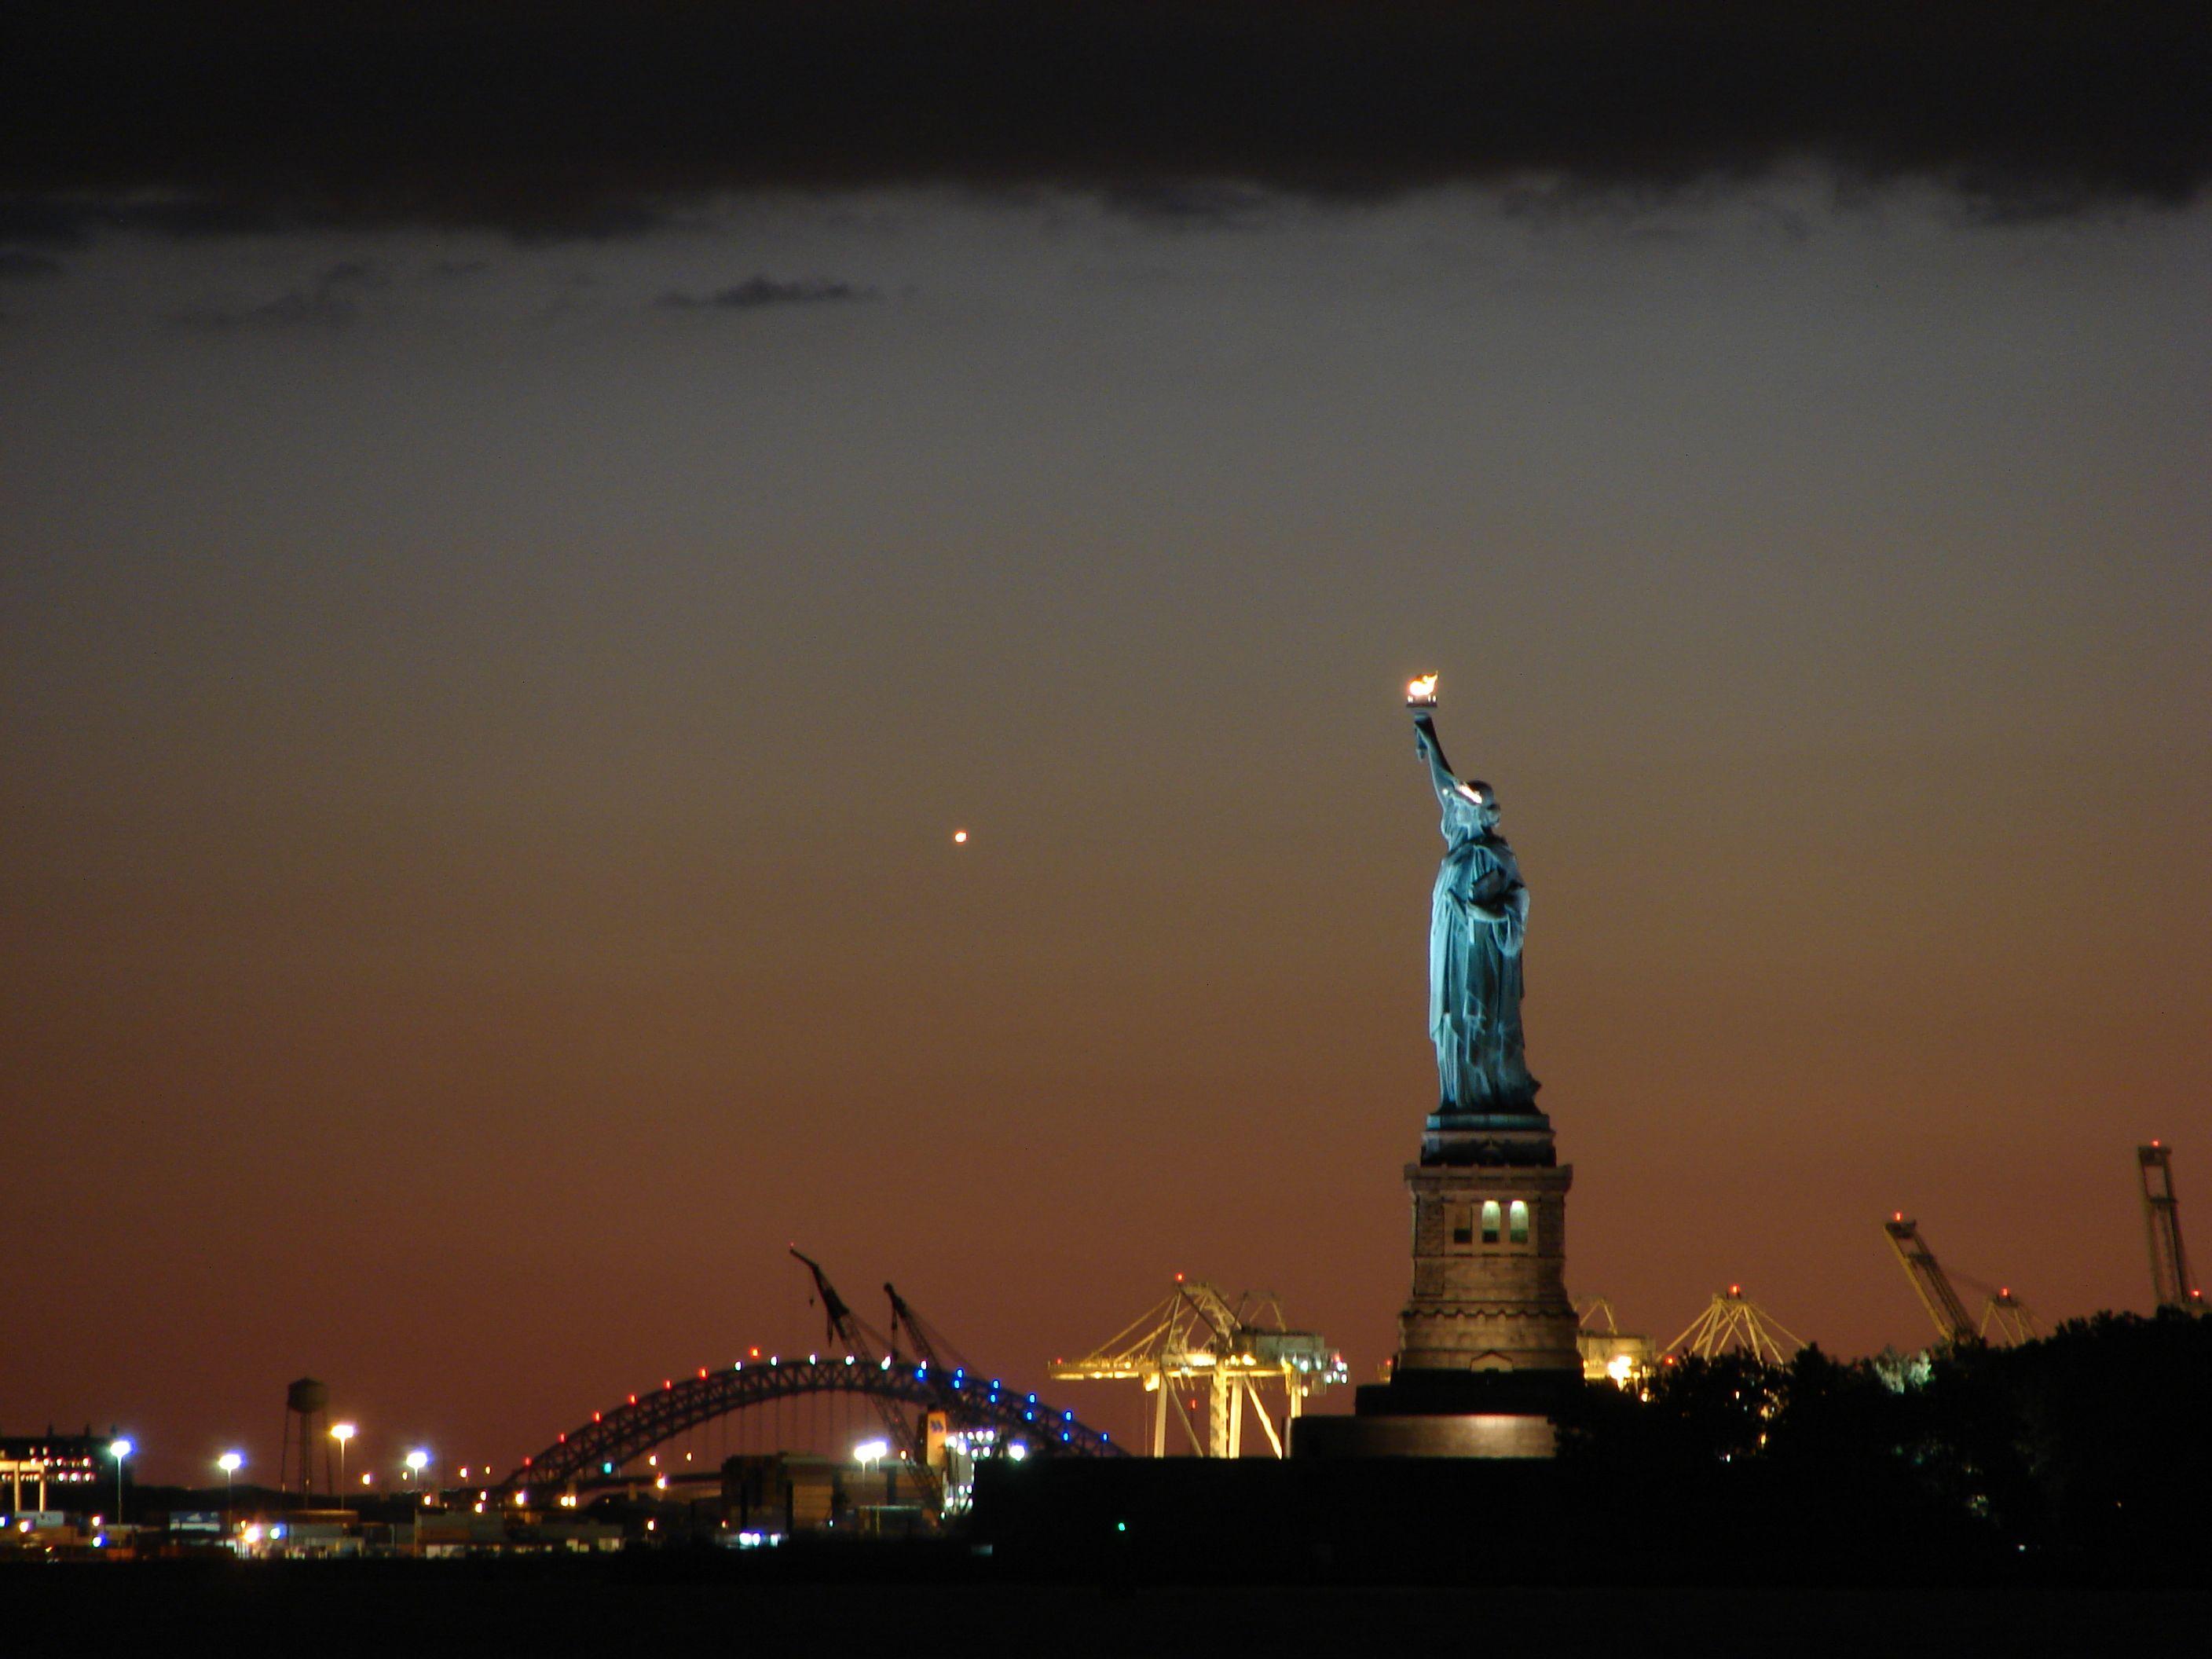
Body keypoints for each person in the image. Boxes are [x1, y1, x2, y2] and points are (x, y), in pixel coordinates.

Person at [1413, 709, 1539, 1114]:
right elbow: (1444, 787)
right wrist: (1429, 738)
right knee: (1453, 1018)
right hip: (1450, 944)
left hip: (1482, 952)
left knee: (1479, 1017)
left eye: (1467, 802)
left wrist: (1487, 915)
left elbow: (1519, 899)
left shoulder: (1496, 853)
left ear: (1480, 812)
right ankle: (1459, 1095)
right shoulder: (1458, 842)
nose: (1456, 804)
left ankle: (1488, 1093)